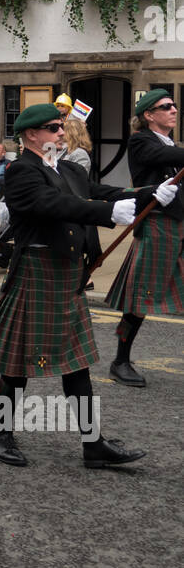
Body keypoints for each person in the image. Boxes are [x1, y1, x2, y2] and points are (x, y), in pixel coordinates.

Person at [0, 102, 164, 469]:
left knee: (77, 364)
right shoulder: (21, 171)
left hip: (67, 274)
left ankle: (93, 445)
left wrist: (151, 192)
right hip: (38, 272)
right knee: (18, 364)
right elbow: (53, 204)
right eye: (54, 127)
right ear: (32, 135)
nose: (62, 132)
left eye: (62, 127)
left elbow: (101, 190)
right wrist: (108, 214)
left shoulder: (67, 168)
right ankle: (3, 433)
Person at [106, 90, 184, 387]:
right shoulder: (142, 141)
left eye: (174, 105)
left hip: (178, 225)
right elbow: (163, 157)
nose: (174, 109)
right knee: (139, 301)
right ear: (149, 115)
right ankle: (120, 360)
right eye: (166, 107)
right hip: (158, 227)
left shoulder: (169, 143)